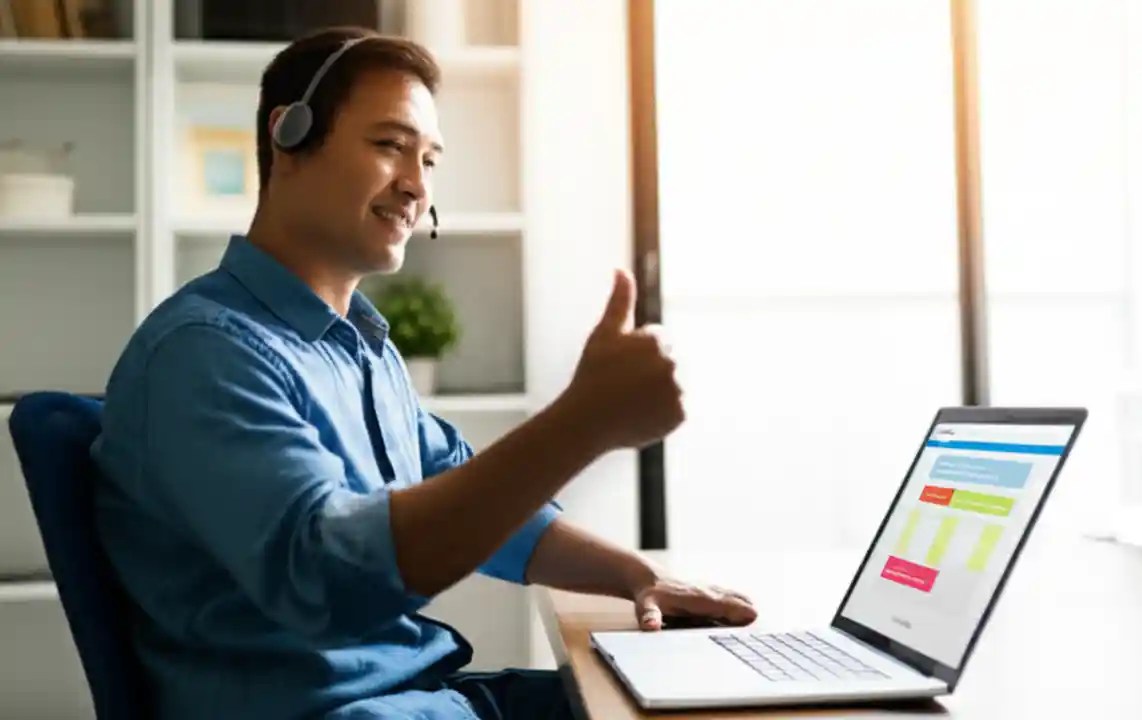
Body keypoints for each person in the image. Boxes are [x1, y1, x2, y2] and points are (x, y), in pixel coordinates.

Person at [90, 26, 756, 720]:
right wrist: (583, 422)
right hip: (336, 713)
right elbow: (328, 583)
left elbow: (485, 507)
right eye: (389, 145)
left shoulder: (364, 350)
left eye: (430, 159)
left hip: (421, 699)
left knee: (692, 702)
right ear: (289, 136)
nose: (415, 185)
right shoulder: (206, 353)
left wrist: (637, 575)